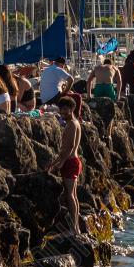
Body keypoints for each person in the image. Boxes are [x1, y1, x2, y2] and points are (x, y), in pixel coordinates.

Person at [49, 93, 85, 227]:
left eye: (65, 109)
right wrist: (53, 163)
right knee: (73, 196)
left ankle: (75, 227)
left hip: (70, 163)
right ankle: (75, 227)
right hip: (73, 161)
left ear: (72, 109)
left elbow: (69, 147)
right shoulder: (76, 123)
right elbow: (65, 149)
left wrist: (61, 163)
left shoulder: (71, 124)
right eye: (61, 109)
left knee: (70, 196)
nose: (62, 112)